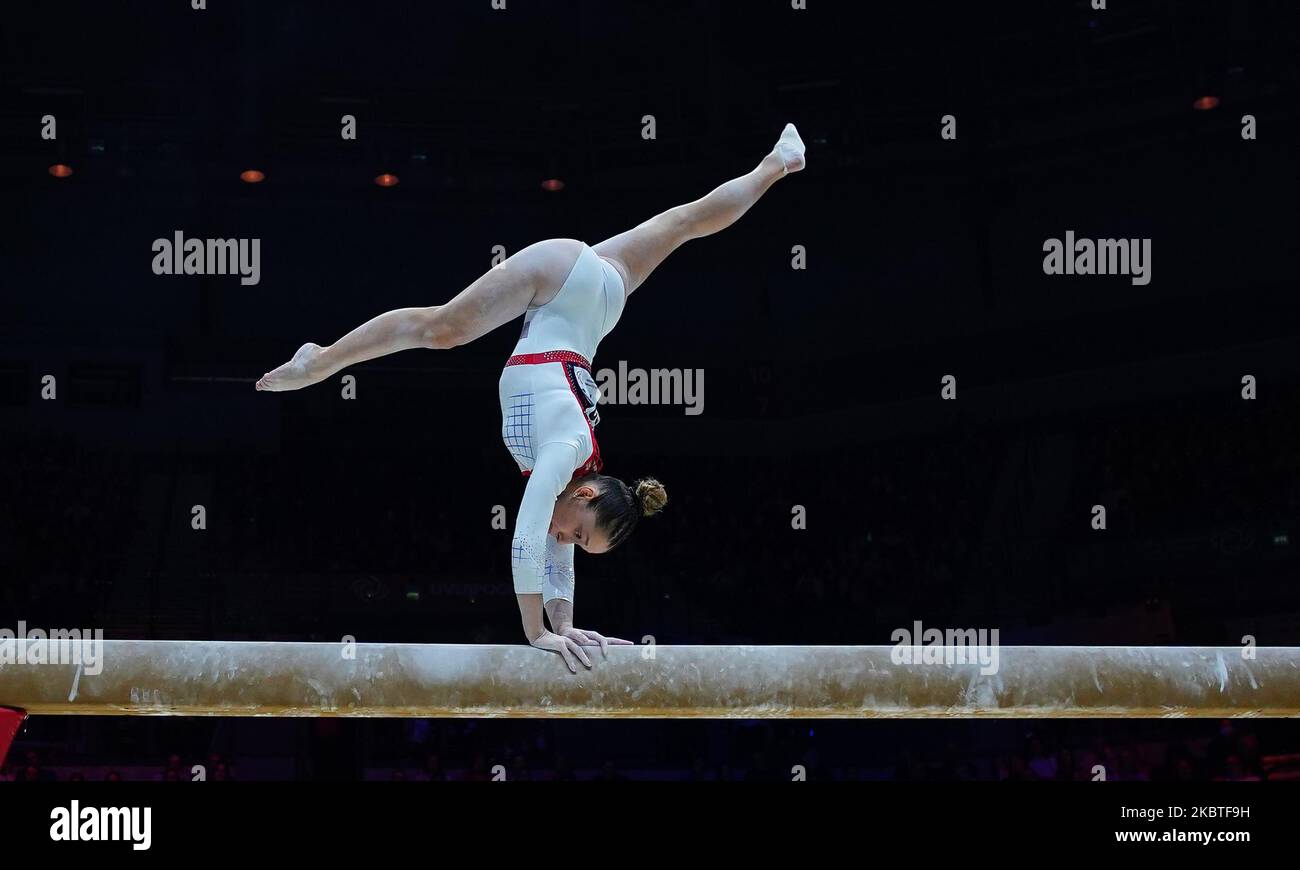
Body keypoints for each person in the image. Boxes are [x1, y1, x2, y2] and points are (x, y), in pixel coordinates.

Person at [256, 124, 807, 670]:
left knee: (683, 223)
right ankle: (321, 359)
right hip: (562, 278)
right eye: (578, 531)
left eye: (577, 541)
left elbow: (556, 547)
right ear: (588, 495)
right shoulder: (564, 450)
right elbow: (527, 532)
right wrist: (535, 632)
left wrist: (565, 623)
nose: (564, 538)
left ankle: (777, 163)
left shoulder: (573, 474)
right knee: (442, 328)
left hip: (598, 303)